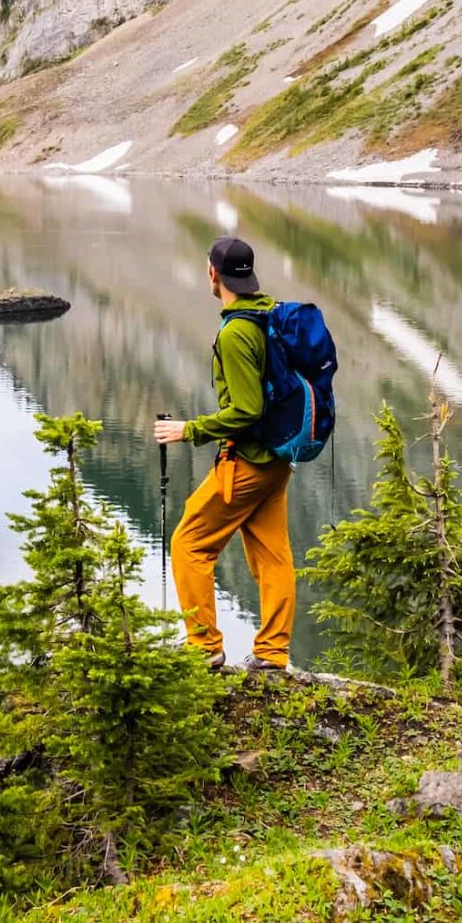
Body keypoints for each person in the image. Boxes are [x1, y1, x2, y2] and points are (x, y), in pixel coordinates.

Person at [153, 236, 294, 676]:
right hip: (276, 460)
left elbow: (247, 410)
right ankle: (272, 653)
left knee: (189, 543)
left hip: (247, 463)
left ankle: (204, 647)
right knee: (272, 557)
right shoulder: (269, 314)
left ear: (213, 274)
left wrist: (188, 430)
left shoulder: (236, 332)